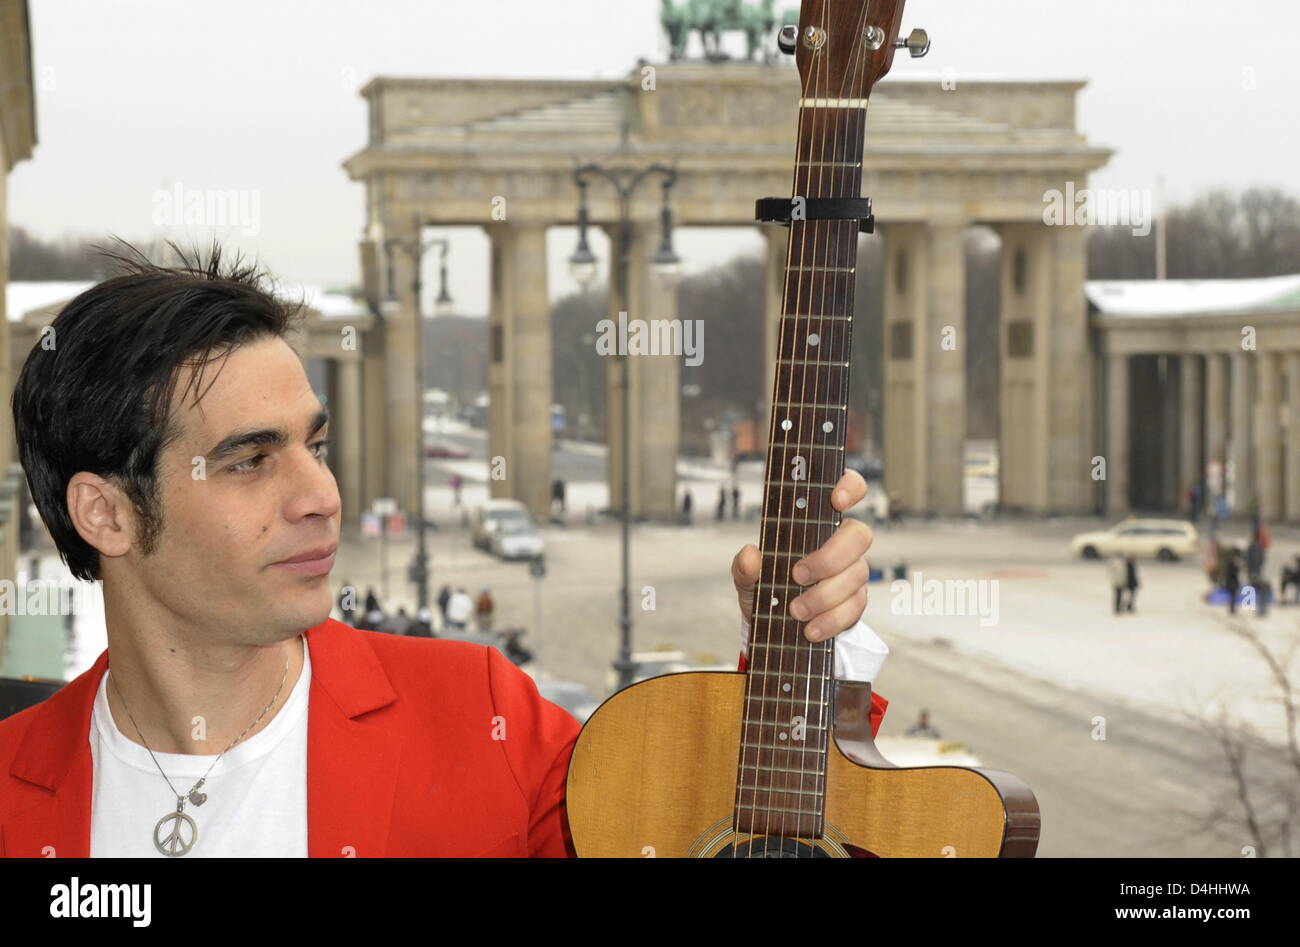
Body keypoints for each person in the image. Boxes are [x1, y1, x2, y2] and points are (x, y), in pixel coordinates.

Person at [0, 241, 886, 857]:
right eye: (249, 460)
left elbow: (714, 832)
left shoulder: (480, 718)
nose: (321, 497)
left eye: (316, 444)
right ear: (105, 513)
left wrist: (802, 644)